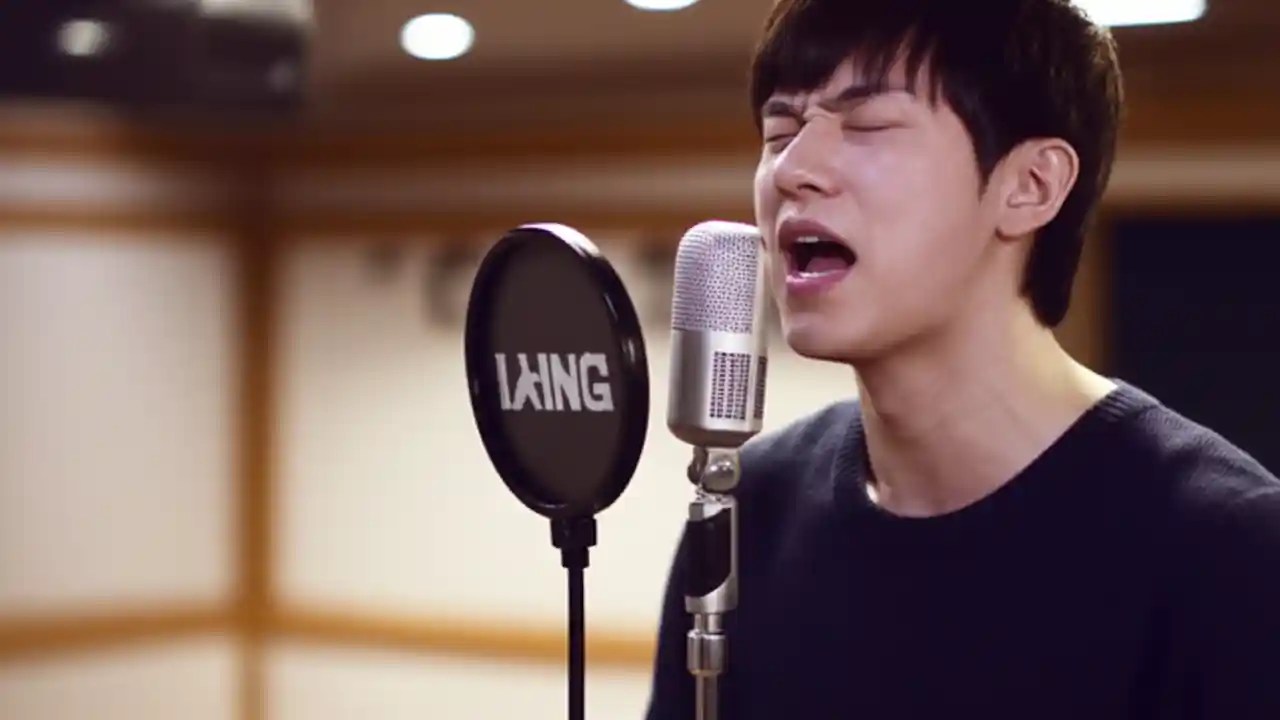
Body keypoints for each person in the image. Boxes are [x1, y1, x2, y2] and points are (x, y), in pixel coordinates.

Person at [644, 1, 1280, 718]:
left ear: (1030, 185)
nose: (794, 169)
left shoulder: (1227, 552)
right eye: (780, 130)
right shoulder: (750, 511)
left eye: (869, 125)